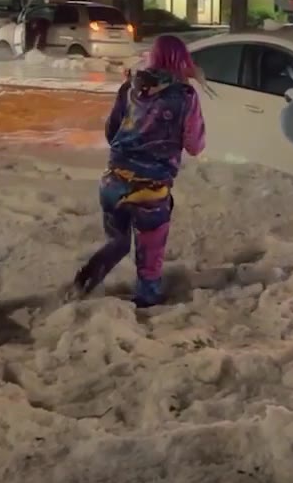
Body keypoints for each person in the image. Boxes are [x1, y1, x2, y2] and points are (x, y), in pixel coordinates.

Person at [73, 35, 206, 306]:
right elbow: (195, 145)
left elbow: (111, 132)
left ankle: (82, 283)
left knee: (118, 243)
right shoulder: (185, 96)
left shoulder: (130, 87)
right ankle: (147, 303)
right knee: (150, 260)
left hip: (112, 182)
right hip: (151, 190)